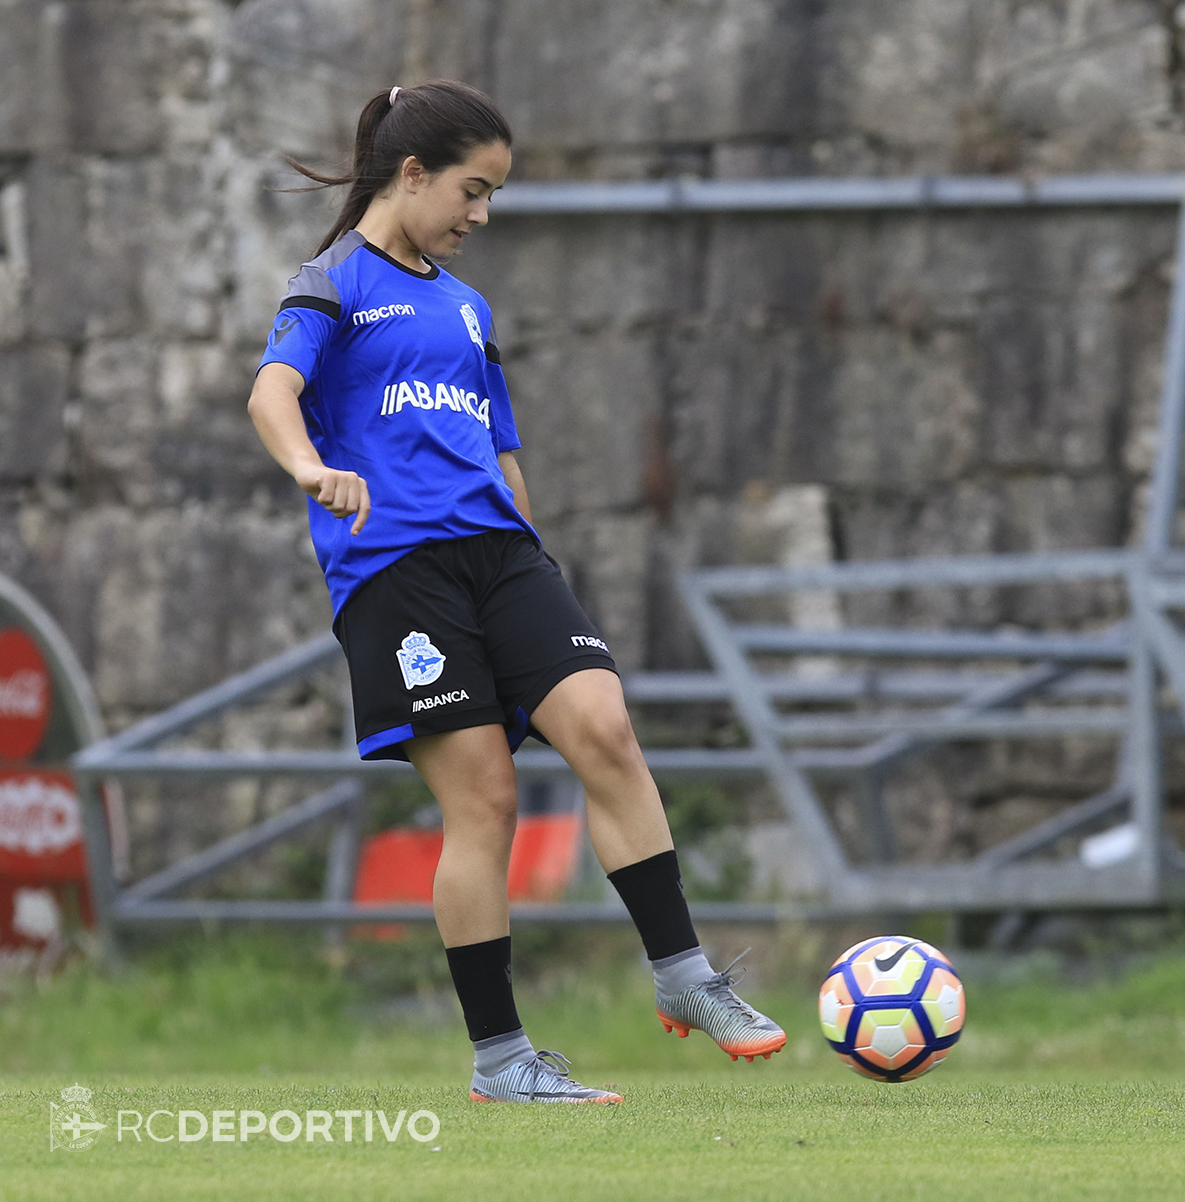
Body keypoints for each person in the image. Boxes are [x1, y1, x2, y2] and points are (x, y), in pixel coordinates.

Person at [248, 80, 785, 1104]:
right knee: (485, 798)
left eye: (492, 194)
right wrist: (311, 466)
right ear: (411, 174)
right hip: (397, 571)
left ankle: (685, 976)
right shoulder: (331, 282)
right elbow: (271, 391)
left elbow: (499, 444)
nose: (480, 216)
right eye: (471, 190)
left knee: (606, 725)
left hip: (503, 557)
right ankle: (502, 1058)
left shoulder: (465, 305)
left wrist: (535, 554)